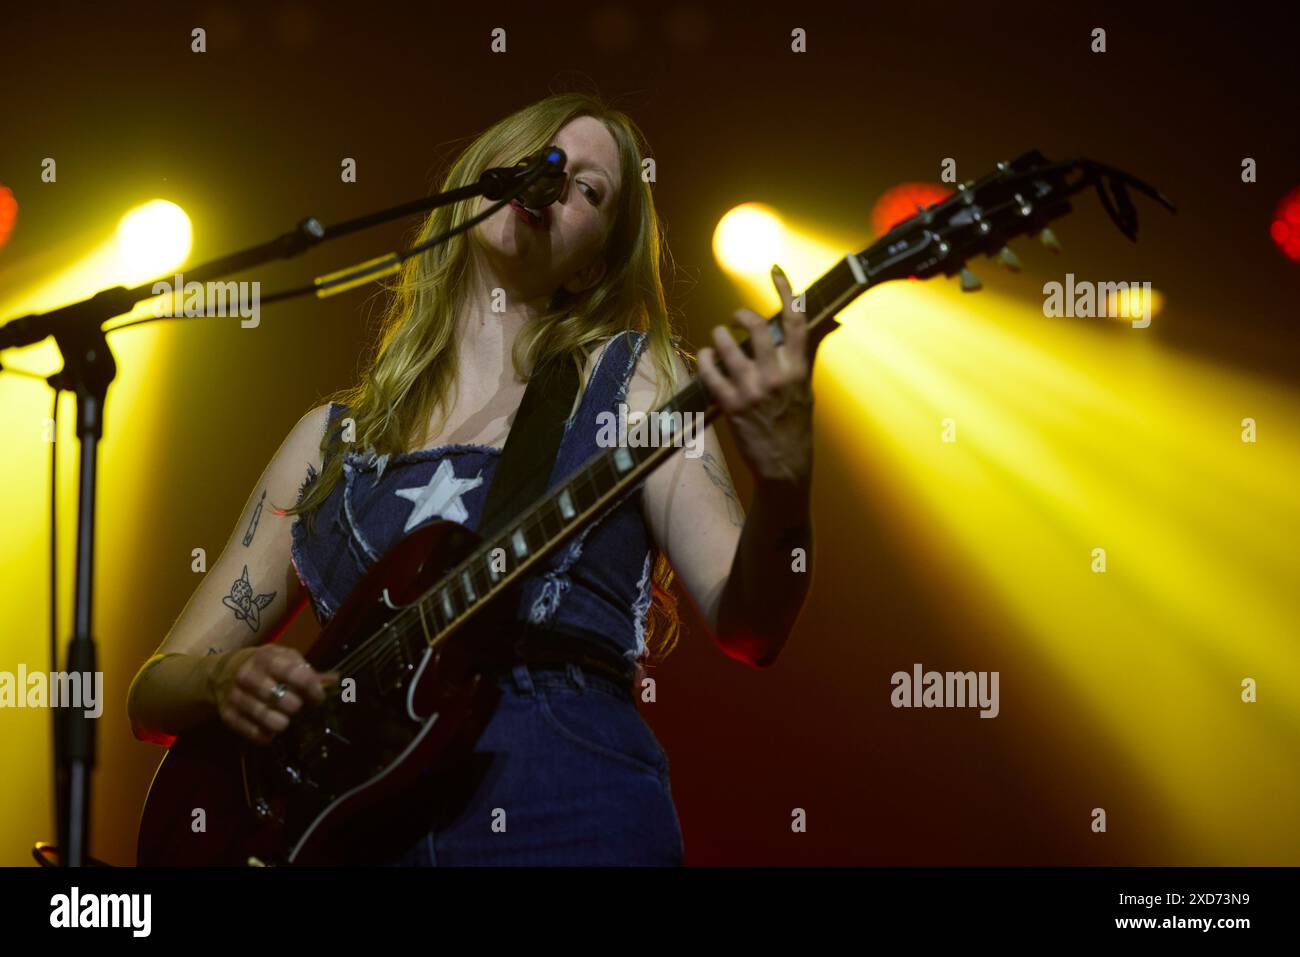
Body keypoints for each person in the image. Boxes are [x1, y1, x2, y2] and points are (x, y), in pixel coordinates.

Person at [126, 92, 815, 866]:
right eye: (544, 155)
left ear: (592, 263)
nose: (555, 181)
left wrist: (786, 480)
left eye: (589, 189)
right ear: (483, 169)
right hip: (351, 831)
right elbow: (153, 692)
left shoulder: (634, 380)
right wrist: (224, 678)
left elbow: (749, 626)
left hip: (565, 803)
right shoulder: (328, 443)